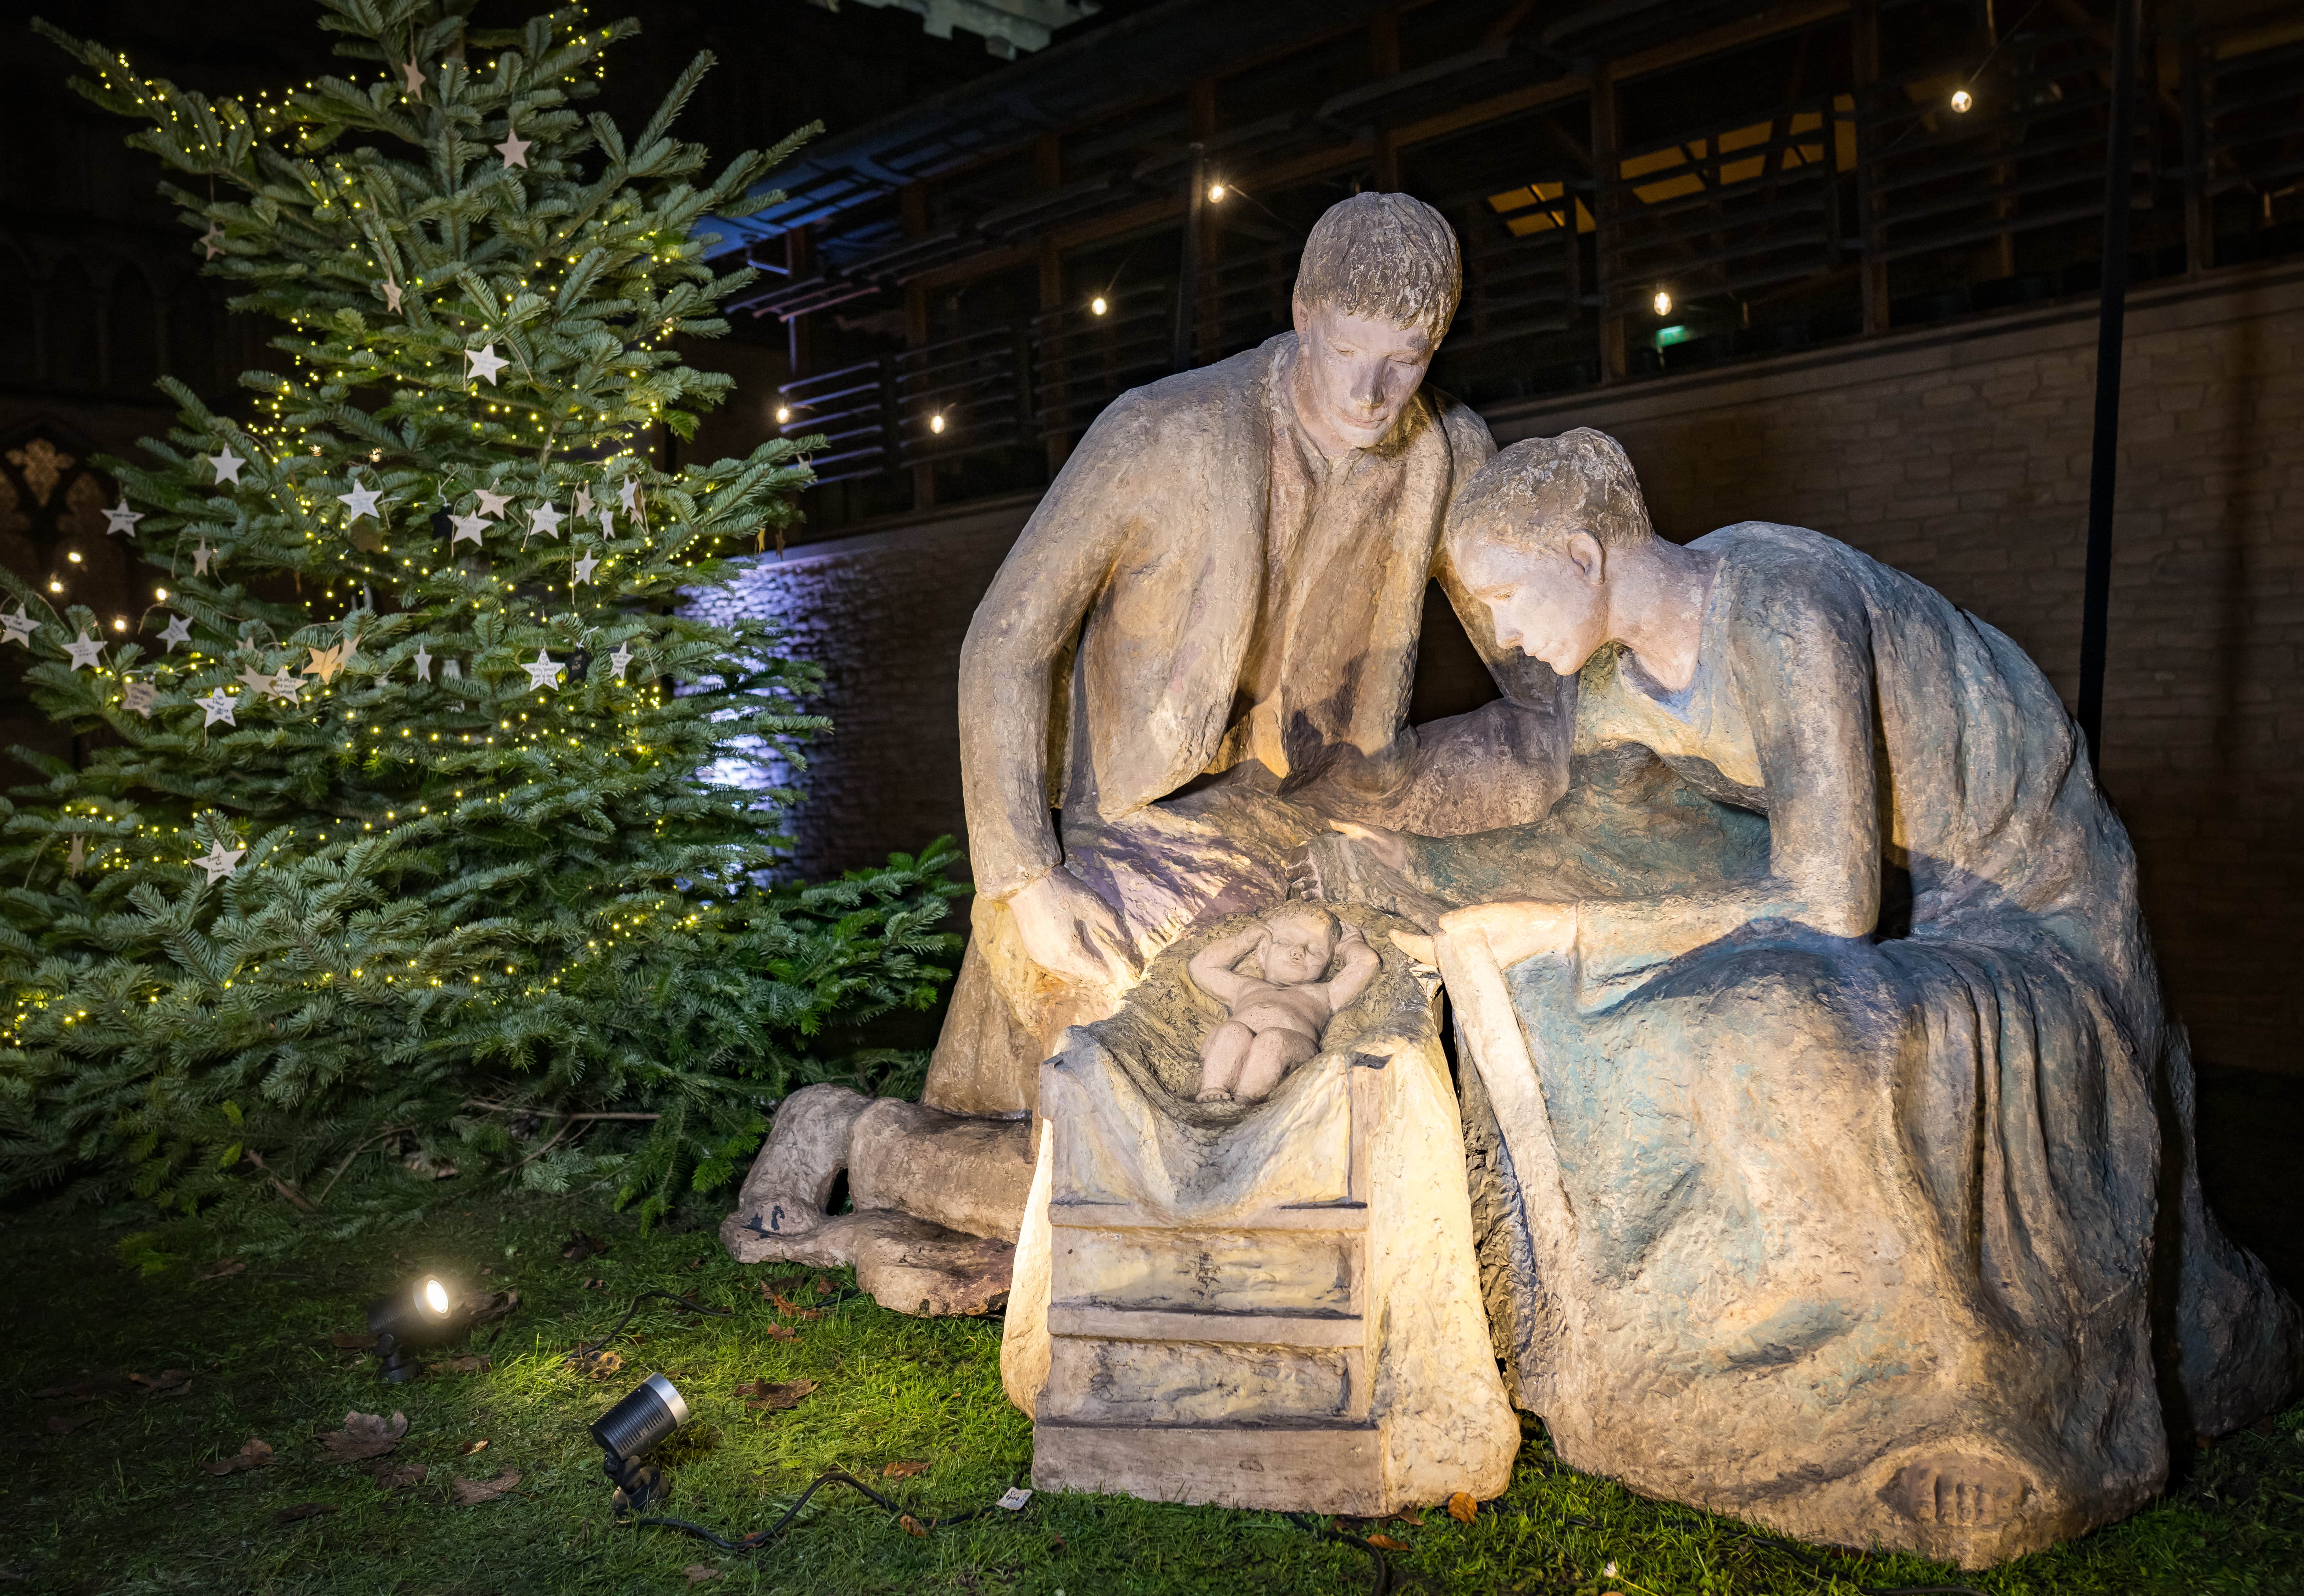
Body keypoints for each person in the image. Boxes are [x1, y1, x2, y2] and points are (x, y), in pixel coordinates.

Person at [1310, 428, 2300, 1566]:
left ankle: (1954, 1393)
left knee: (1778, 1027)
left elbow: (1829, 897)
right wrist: (1345, 810)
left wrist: (1583, 922)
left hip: (2027, 920)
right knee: (1630, 1014)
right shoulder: (1623, 679)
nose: (1502, 634)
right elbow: (1520, 776)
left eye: (1502, 598)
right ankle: (1703, 1367)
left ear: (1582, 555)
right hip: (1909, 911)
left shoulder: (1781, 604)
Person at [723, 193, 1573, 1301]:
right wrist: (1024, 872)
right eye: (1350, 351)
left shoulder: (1444, 455)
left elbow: (1538, 681)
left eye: (1405, 362)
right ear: (1300, 311)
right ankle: (855, 1130)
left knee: (1285, 1125)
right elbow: (1005, 639)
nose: (1373, 394)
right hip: (1132, 849)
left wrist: (1428, 783)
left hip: (1307, 850)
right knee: (1115, 1140)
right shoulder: (1158, 431)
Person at [1188, 904, 1376, 1103]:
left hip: (1293, 1048)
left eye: (1315, 949)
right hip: (1234, 1044)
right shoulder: (1246, 986)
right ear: (1262, 952)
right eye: (1286, 942)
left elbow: (1367, 964)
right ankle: (1212, 1089)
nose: (1298, 951)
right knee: (1231, 1031)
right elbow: (1201, 967)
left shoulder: (1324, 993)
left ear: (1330, 960)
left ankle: (1246, 1100)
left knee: (1273, 1040)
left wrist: (1350, 944)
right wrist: (1242, 942)